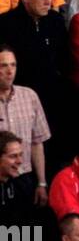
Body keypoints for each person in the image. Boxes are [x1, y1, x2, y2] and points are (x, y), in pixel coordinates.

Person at [0, 0, 68, 158]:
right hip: (20, 100)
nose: (48, 1)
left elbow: (65, 60)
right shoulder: (6, 25)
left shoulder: (55, 21)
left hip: (54, 98)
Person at [0, 46, 50, 212]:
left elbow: (37, 142)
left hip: (25, 177)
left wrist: (42, 182)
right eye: (3, 66)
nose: (9, 71)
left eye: (13, 65)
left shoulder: (29, 96)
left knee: (26, 233)